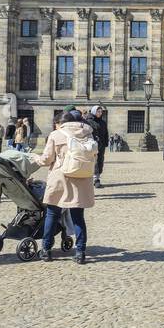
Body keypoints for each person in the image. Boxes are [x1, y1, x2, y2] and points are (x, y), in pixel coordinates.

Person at [38, 108, 96, 264]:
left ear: (59, 123)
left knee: (52, 214)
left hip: (60, 179)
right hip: (81, 179)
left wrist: (36, 159)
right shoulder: (87, 133)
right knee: (78, 217)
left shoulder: (55, 135)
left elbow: (47, 159)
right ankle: (80, 252)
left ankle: (46, 249)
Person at [85, 105, 108, 186]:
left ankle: (97, 177)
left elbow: (106, 133)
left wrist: (106, 143)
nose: (100, 113)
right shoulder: (88, 121)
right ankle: (94, 179)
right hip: (92, 144)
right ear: (94, 111)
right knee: (93, 161)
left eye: (101, 112)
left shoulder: (103, 122)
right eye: (98, 111)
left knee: (100, 160)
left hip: (101, 145)